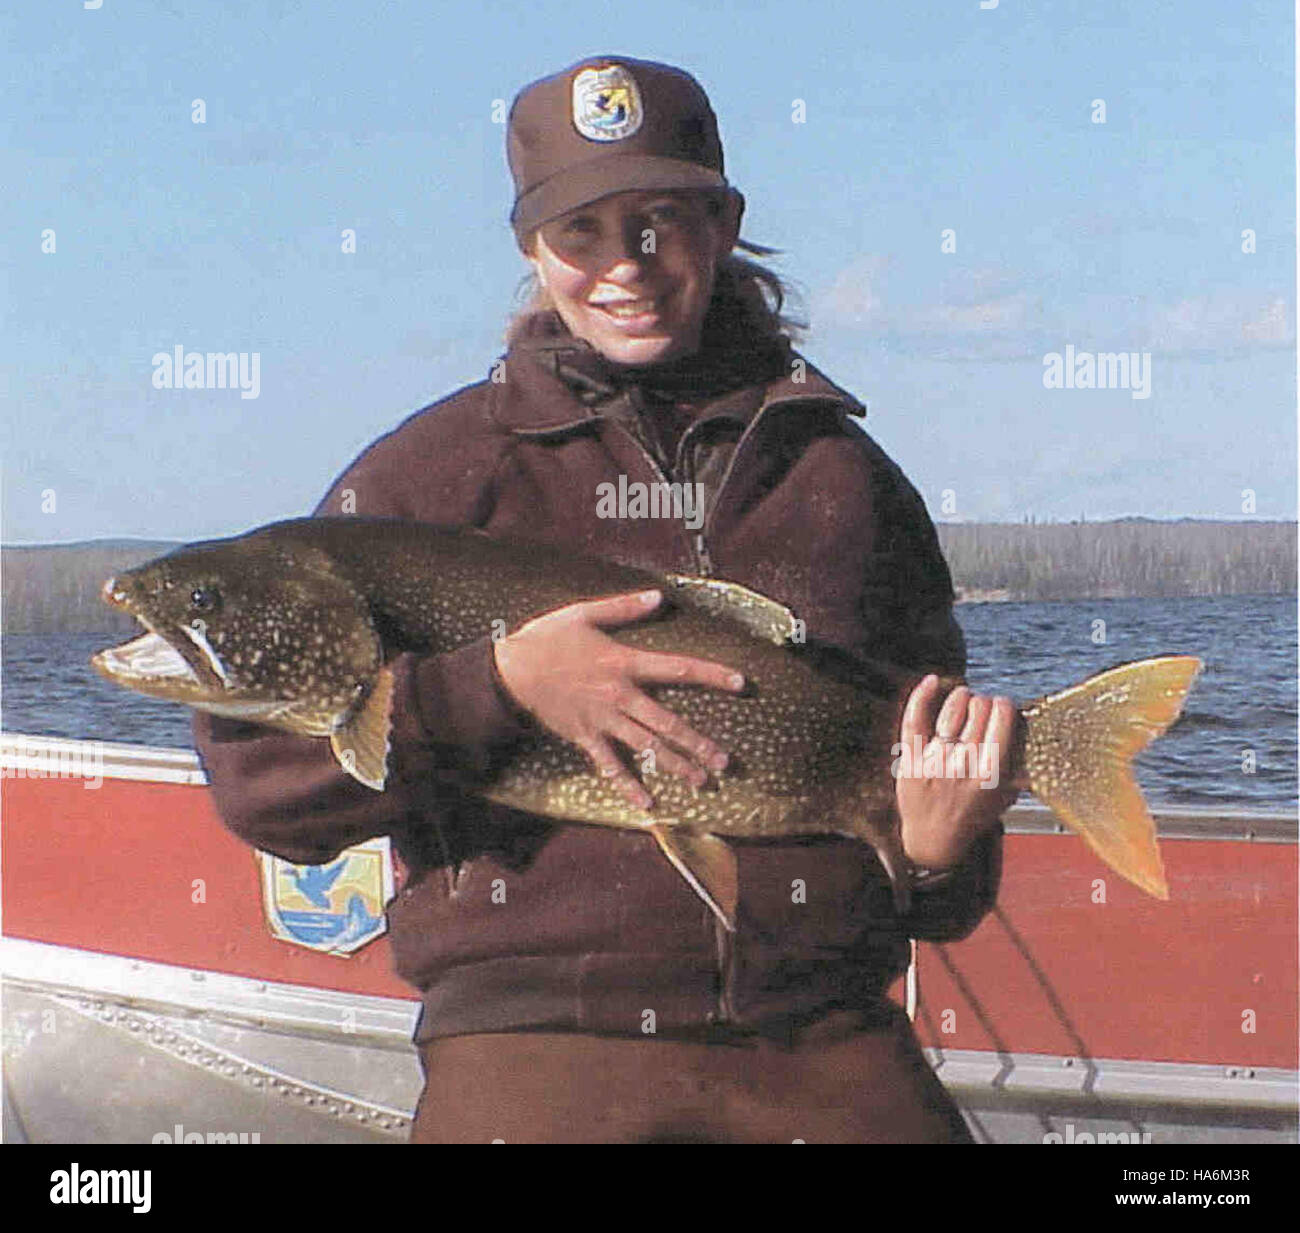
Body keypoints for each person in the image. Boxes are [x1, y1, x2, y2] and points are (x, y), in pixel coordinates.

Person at [192, 55, 1020, 1144]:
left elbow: (941, 870)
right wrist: (500, 688)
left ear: (722, 226)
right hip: (533, 1034)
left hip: (821, 1030)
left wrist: (938, 850)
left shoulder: (845, 480)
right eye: (580, 232)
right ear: (531, 248)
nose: (622, 265)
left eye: (658, 220)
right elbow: (270, 795)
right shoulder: (423, 476)